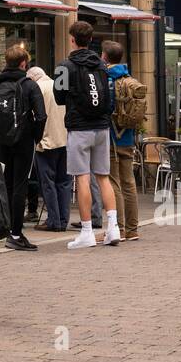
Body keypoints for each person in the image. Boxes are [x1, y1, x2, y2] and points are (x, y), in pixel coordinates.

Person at [53, 21, 120, 248]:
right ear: (90, 40)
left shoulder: (64, 66)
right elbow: (110, 97)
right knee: (103, 176)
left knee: (82, 177)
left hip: (79, 128)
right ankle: (113, 228)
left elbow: (59, 98)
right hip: (102, 127)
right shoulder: (102, 66)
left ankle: (87, 231)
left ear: (72, 39)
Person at [0, 45, 46, 251]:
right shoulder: (29, 85)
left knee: (7, 184)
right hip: (23, 139)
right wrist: (36, 137)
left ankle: (7, 230)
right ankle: (15, 233)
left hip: (3, 140)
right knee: (20, 185)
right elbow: (41, 115)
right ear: (24, 63)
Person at [103, 41, 142, 243]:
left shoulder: (107, 79)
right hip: (128, 137)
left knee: (113, 183)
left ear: (105, 57)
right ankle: (132, 229)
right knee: (129, 183)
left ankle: (116, 228)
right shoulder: (129, 79)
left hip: (111, 137)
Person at [28, 66, 71, 232]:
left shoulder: (37, 88)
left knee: (48, 183)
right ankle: (63, 219)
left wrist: (37, 139)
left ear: (33, 78)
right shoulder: (58, 85)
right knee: (64, 182)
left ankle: (53, 221)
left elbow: (36, 116)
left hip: (46, 142)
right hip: (65, 140)